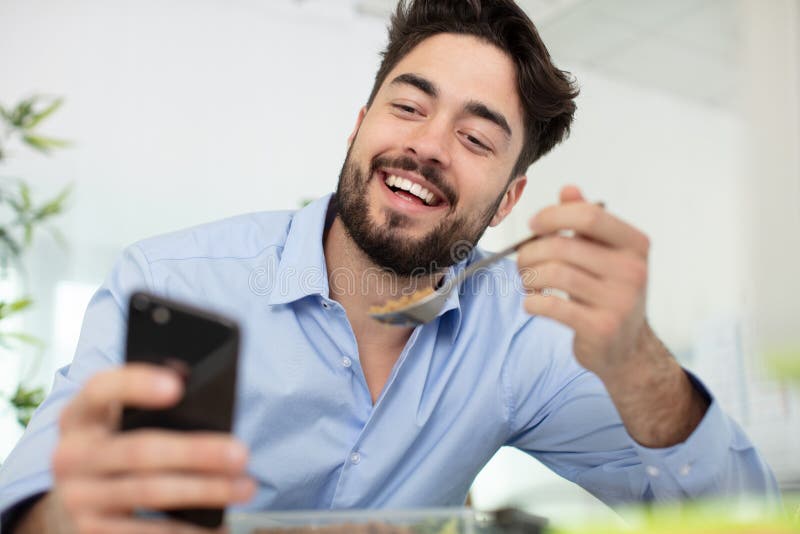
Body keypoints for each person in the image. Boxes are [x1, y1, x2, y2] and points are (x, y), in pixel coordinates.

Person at [0, 0, 779, 532]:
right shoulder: (174, 280)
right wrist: (68, 511)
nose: (430, 145)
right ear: (358, 126)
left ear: (508, 202)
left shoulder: (525, 336)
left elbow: (743, 516)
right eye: (408, 107)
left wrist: (640, 366)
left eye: (476, 139)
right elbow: (28, 502)